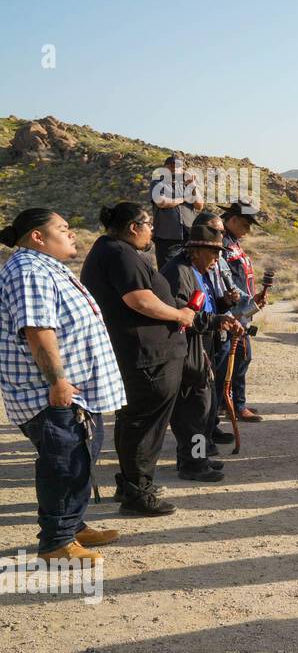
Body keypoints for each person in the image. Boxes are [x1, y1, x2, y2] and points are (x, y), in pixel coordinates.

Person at [0, 209, 127, 561]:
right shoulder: (29, 271)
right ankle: (56, 541)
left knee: (80, 457)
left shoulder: (45, 267)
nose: (71, 234)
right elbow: (38, 332)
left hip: (75, 391)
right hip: (51, 393)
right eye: (63, 229)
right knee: (64, 464)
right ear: (38, 236)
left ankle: (73, 525)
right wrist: (57, 382)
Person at [80, 201, 195, 515]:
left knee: (135, 423)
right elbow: (139, 300)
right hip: (145, 357)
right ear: (134, 226)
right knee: (143, 425)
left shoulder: (113, 251)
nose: (153, 231)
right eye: (149, 225)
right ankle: (138, 493)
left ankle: (132, 484)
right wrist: (180, 314)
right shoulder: (118, 253)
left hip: (147, 354)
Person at [159, 220, 243, 482]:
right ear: (195, 250)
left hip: (201, 350)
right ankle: (192, 464)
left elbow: (201, 307)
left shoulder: (197, 269)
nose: (217, 259)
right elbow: (180, 316)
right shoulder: (178, 273)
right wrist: (215, 321)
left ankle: (197, 457)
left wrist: (222, 304)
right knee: (193, 412)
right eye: (214, 253)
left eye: (220, 253)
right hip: (185, 354)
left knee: (203, 409)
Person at [212, 200, 265, 426]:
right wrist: (243, 306)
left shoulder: (232, 242)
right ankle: (235, 405)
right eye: (245, 224)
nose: (248, 231)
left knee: (237, 358)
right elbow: (226, 282)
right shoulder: (223, 244)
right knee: (236, 358)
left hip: (241, 310)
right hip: (233, 312)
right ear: (232, 220)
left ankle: (229, 402)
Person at [149, 154, 204, 268]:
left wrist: (192, 186)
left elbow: (199, 205)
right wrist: (183, 199)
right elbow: (161, 202)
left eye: (178, 166)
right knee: (167, 269)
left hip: (189, 236)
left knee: (191, 268)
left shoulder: (187, 185)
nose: (174, 169)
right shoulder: (157, 183)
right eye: (171, 166)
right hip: (167, 236)